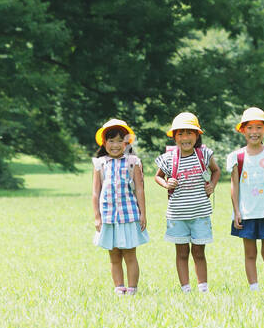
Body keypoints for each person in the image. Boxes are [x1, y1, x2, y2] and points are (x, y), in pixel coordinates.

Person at [154, 112, 220, 293]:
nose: (185, 138)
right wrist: (166, 183)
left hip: (200, 214)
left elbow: (216, 171)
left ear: (197, 135)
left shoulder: (204, 155)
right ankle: (185, 289)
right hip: (177, 215)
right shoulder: (169, 158)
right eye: (180, 134)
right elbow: (157, 177)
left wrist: (212, 185)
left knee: (199, 252)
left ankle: (203, 288)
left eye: (190, 133)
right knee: (181, 253)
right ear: (174, 136)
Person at [228, 107, 264, 290]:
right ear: (243, 130)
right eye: (250, 128)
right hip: (247, 213)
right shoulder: (236, 156)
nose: (254, 132)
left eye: (258, 127)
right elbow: (234, 185)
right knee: (250, 254)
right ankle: (254, 289)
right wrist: (236, 211)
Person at [92, 118, 148, 295]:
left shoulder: (133, 162)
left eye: (119, 140)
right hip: (108, 216)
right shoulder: (100, 164)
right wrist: (97, 217)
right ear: (104, 142)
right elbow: (95, 192)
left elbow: (140, 189)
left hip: (129, 215)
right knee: (114, 256)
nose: (115, 145)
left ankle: (132, 289)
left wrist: (143, 214)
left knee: (130, 255)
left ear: (126, 142)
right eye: (111, 140)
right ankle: (119, 288)